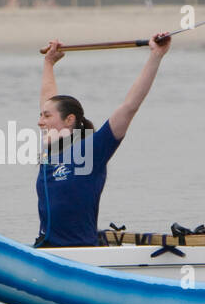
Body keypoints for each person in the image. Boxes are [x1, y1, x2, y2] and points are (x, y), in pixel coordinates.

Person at [35, 34, 172, 247]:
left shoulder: (93, 149)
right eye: (41, 115)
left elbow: (129, 107)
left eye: (46, 116)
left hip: (81, 253)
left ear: (69, 120)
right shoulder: (51, 149)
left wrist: (156, 55)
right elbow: (48, 98)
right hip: (47, 248)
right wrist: (49, 63)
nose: (39, 121)